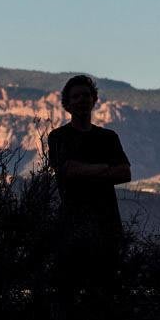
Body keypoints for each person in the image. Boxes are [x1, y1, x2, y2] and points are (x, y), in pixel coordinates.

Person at [45, 74, 131, 294]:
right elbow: (66, 170)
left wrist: (85, 170)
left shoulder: (108, 137)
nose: (82, 100)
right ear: (67, 103)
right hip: (72, 224)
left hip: (107, 225)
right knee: (69, 289)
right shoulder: (58, 137)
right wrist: (104, 169)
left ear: (94, 99)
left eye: (86, 95)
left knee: (106, 289)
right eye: (76, 97)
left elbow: (124, 173)